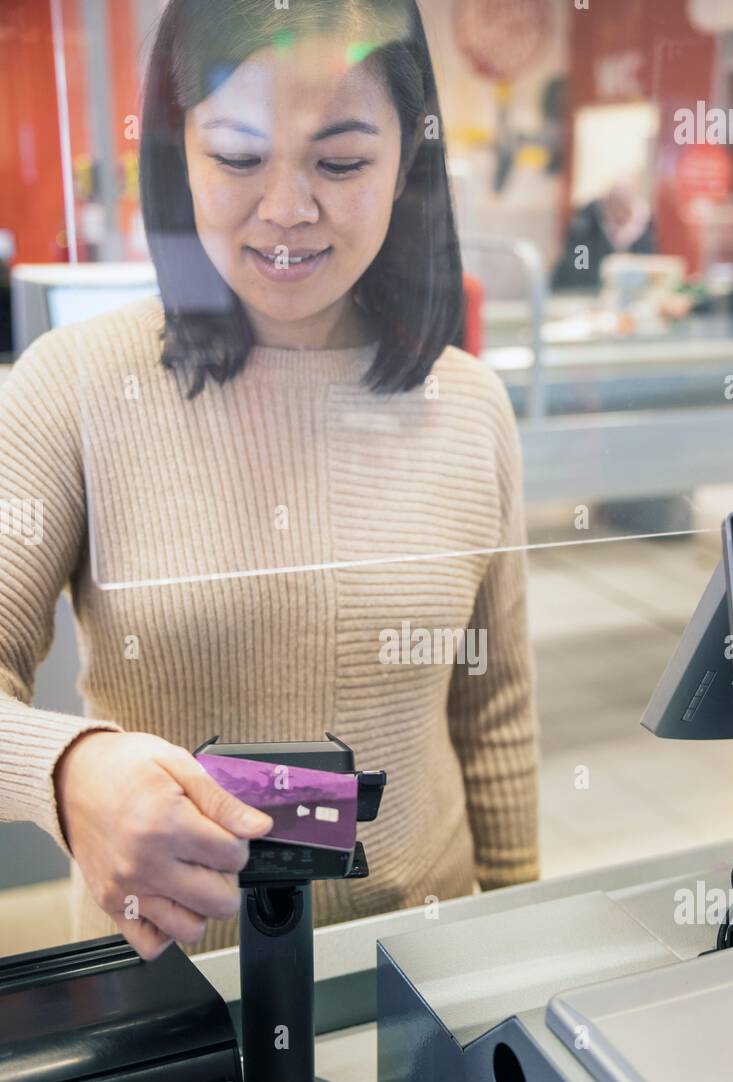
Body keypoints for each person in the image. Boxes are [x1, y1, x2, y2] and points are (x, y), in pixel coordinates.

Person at [0, 0, 539, 960]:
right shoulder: (73, 385)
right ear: (175, 158)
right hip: (176, 984)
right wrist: (66, 770)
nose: (288, 208)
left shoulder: (469, 405)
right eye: (239, 157)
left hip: (424, 967)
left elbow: (492, 710)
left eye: (339, 162)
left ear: (407, 165)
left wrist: (522, 943)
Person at [551, 179, 656, 292]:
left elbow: (647, 264)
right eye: (615, 206)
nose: (619, 213)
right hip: (577, 292)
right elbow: (578, 266)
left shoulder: (642, 229)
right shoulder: (585, 225)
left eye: (624, 208)